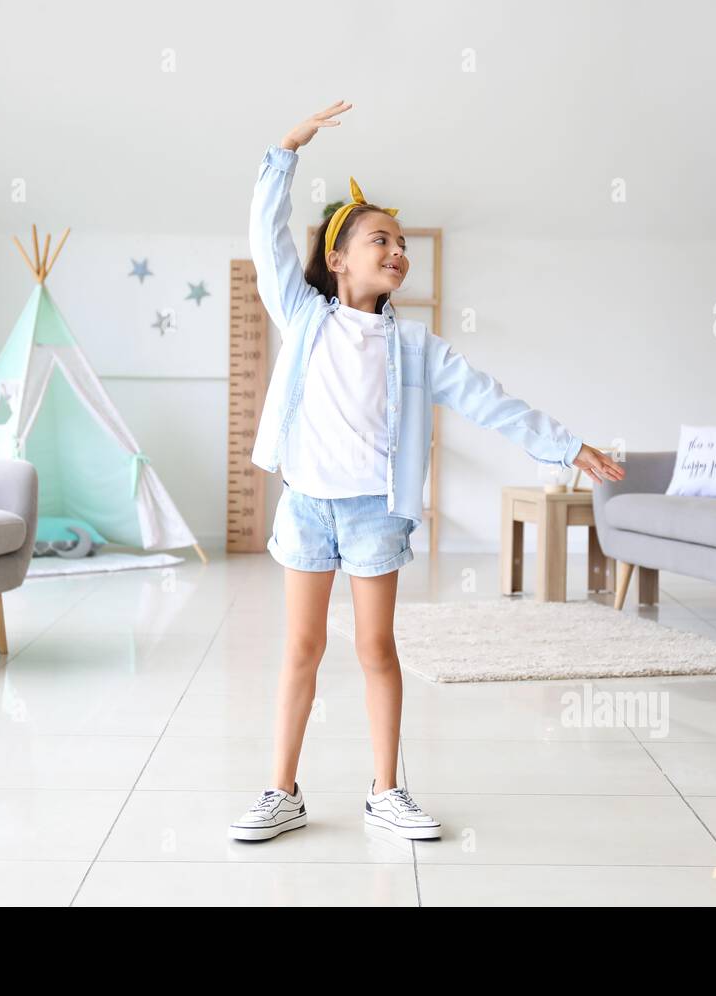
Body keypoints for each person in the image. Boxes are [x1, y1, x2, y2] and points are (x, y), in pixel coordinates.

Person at [228, 101, 626, 843]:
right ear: (339, 258)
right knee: (301, 649)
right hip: (308, 507)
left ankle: (386, 789)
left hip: (375, 514)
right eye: (382, 239)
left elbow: (491, 402)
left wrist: (566, 446)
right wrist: (284, 151)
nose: (399, 250)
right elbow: (266, 237)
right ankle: (281, 790)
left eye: (404, 243)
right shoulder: (303, 314)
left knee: (378, 650)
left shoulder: (415, 347)